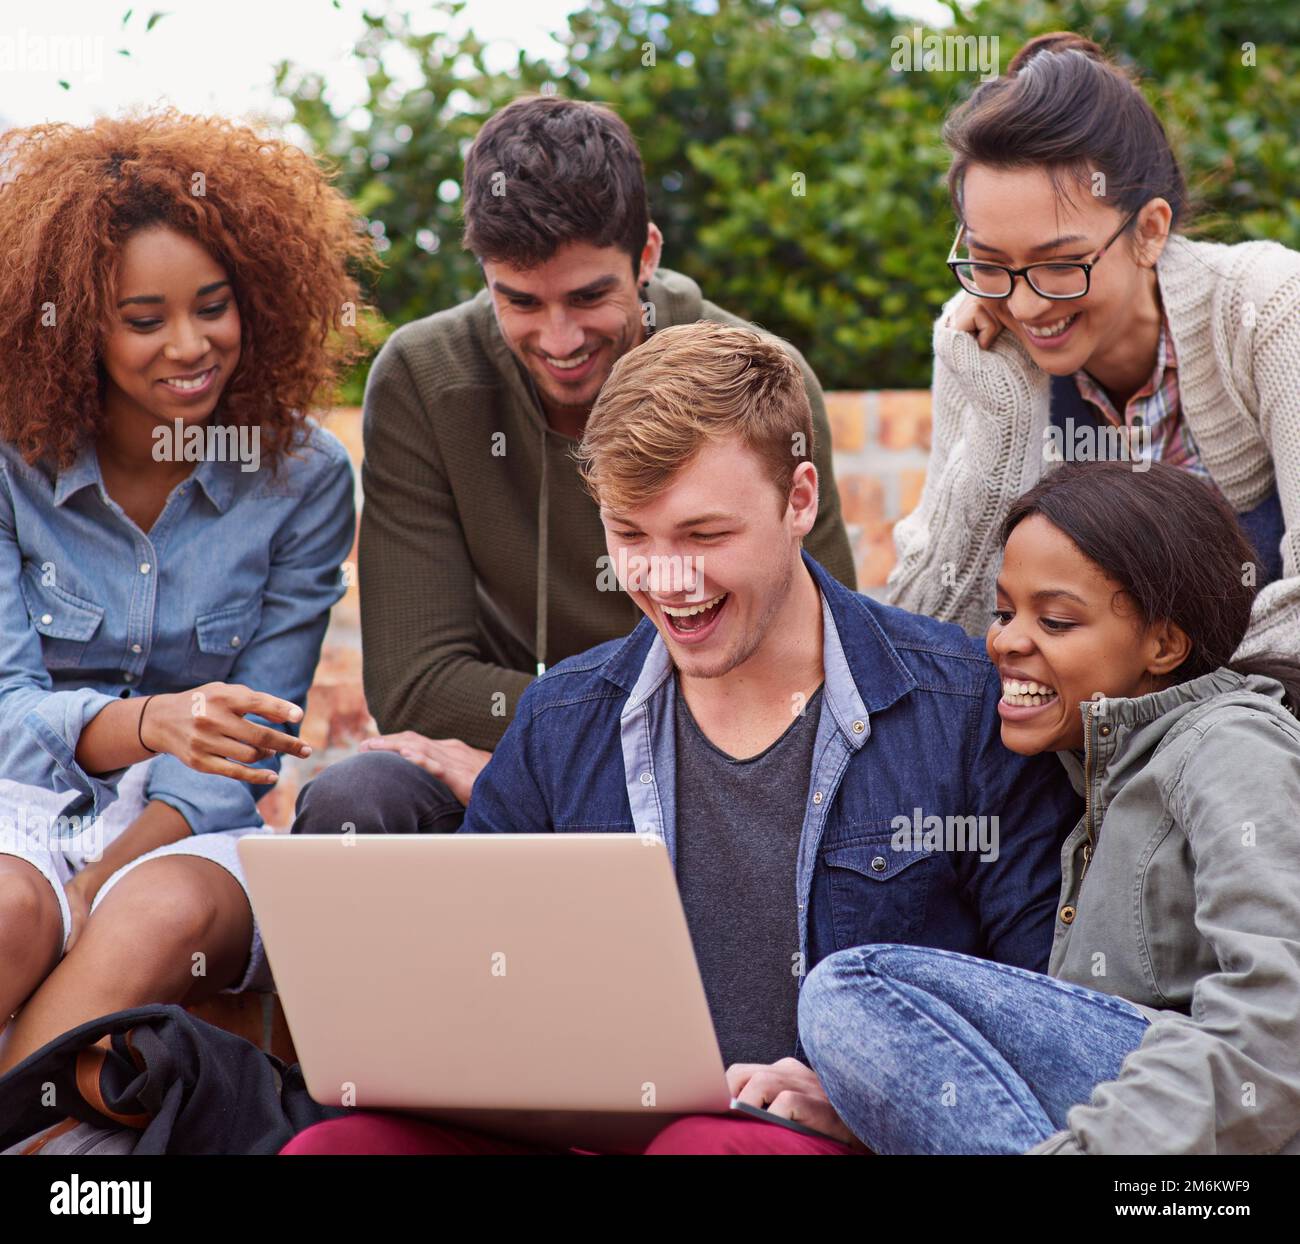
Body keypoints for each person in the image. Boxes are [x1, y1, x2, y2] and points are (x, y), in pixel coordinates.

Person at [281, 322, 1081, 1155]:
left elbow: (1036, 1015)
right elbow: (485, 998)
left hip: (812, 1140)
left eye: (705, 537)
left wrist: (869, 1097)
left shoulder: (962, 708)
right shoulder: (561, 719)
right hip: (597, 1135)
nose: (668, 580)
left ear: (799, 500)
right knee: (334, 1149)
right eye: (631, 536)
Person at [291, 95, 855, 838]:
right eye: (519, 301)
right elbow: (417, 686)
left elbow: (820, 656)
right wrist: (526, 770)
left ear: (647, 254)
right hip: (504, 754)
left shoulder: (760, 382)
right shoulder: (423, 380)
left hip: (718, 758)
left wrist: (568, 754)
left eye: (590, 297)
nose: (559, 339)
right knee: (354, 804)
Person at [0, 110, 371, 1072]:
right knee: (9, 911)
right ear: (77, 324)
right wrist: (152, 720)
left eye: (213, 306)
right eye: (143, 320)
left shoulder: (304, 477)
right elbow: (4, 712)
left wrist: (101, 887)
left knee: (153, 915)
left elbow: (241, 753)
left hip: (190, 829)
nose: (189, 345)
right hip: (18, 807)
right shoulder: (10, 467)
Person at [801, 460, 1300, 1155]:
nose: (1004, 640)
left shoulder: (1230, 744)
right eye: (1002, 612)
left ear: (1164, 644)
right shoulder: (1089, 782)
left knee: (853, 990)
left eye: (1056, 619)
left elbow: (1282, 1018)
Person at [888, 32, 1299, 661]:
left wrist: (1181, 719)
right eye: (989, 261)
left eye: (1061, 264)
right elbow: (930, 638)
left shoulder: (1267, 311)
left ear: (1151, 231)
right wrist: (1003, 411)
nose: (1025, 306)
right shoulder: (980, 337)